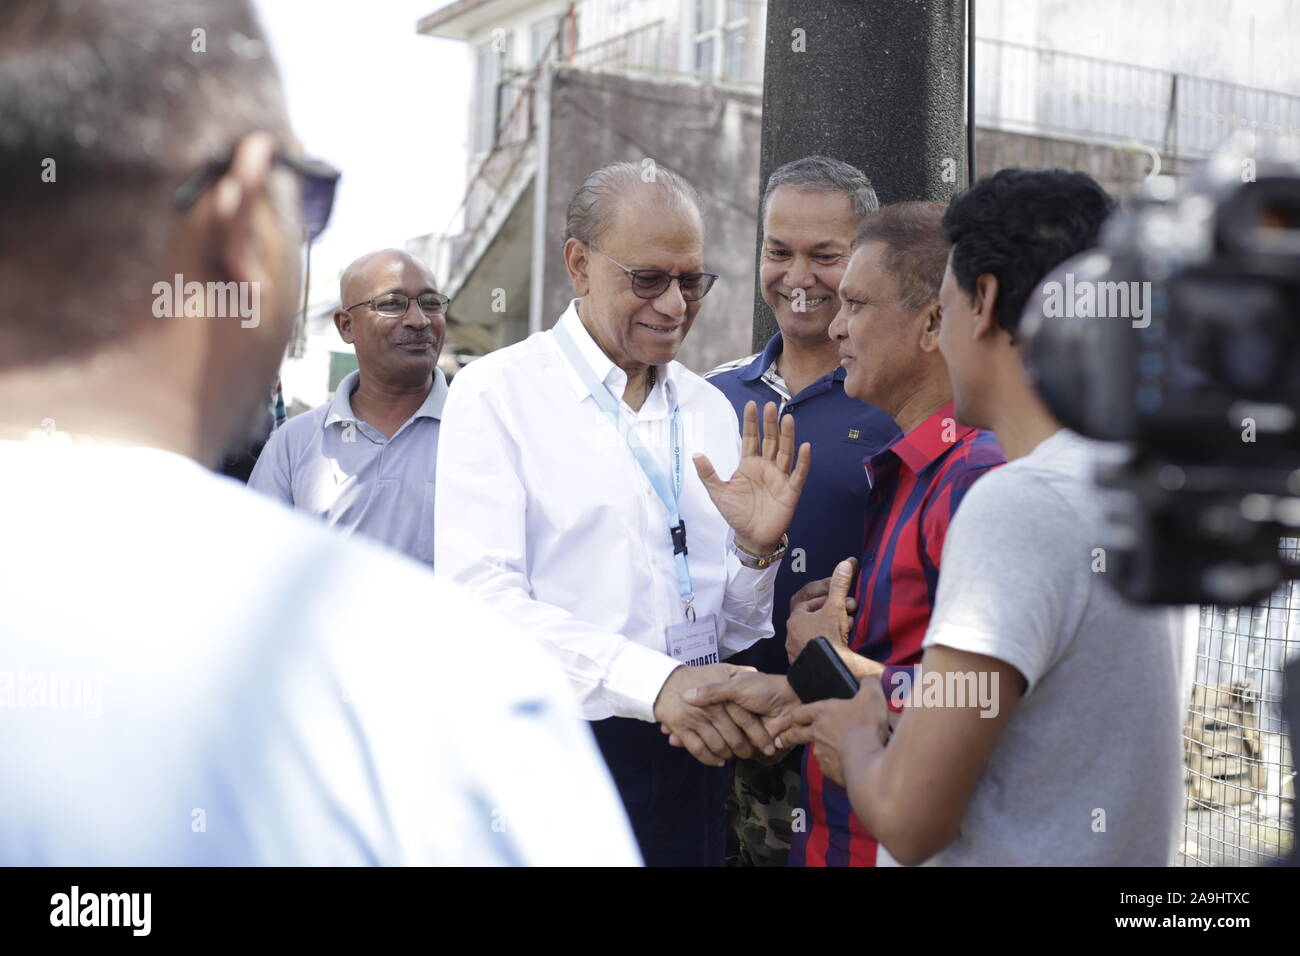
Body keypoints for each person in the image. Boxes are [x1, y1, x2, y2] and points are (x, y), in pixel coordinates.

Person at [0, 0, 639, 866]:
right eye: (306, 199)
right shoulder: (474, 716)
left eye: (431, 303)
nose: (417, 319)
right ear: (240, 213)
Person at [708, 170, 1190, 866]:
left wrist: (844, 712)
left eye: (943, 299)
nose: (837, 325)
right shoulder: (1130, 480)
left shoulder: (1012, 498)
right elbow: (1002, 705)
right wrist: (813, 685)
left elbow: (910, 815)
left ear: (977, 304)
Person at [434, 161, 811, 866]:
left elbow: (729, 629)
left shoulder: (707, 407)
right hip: (553, 754)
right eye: (648, 279)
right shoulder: (498, 393)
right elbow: (479, 603)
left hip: (691, 747)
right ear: (579, 265)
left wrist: (757, 555)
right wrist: (653, 683)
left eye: (692, 281)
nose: (674, 306)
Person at [705, 156, 898, 866]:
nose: (798, 277)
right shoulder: (708, 398)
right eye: (778, 251)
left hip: (845, 734)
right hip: (714, 729)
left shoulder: (895, 401)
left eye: (825, 256)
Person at [248, 249, 449, 566]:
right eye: (392, 304)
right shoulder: (294, 444)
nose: (418, 320)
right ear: (346, 326)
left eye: (431, 303)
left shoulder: (479, 432)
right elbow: (258, 566)